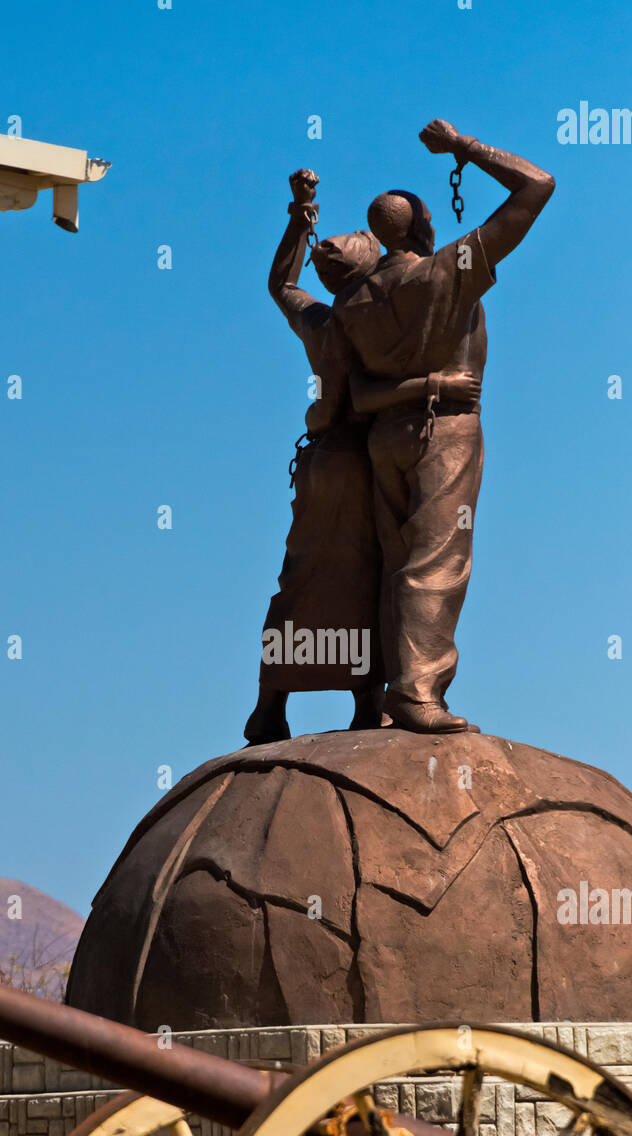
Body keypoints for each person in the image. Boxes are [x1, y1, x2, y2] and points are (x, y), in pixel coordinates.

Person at [333, 120, 555, 734]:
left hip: (386, 439)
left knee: (394, 561)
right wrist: (464, 147)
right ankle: (416, 692)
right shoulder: (447, 268)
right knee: (435, 559)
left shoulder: (352, 304)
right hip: (445, 430)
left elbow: (354, 393)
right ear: (426, 228)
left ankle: (386, 689)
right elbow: (538, 184)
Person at [243, 171, 386, 745]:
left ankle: (270, 706)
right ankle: (368, 702)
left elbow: (281, 283)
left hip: (323, 465)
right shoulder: (383, 327)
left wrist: (301, 215)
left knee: (301, 580)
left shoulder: (321, 322)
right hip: (366, 462)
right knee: (370, 579)